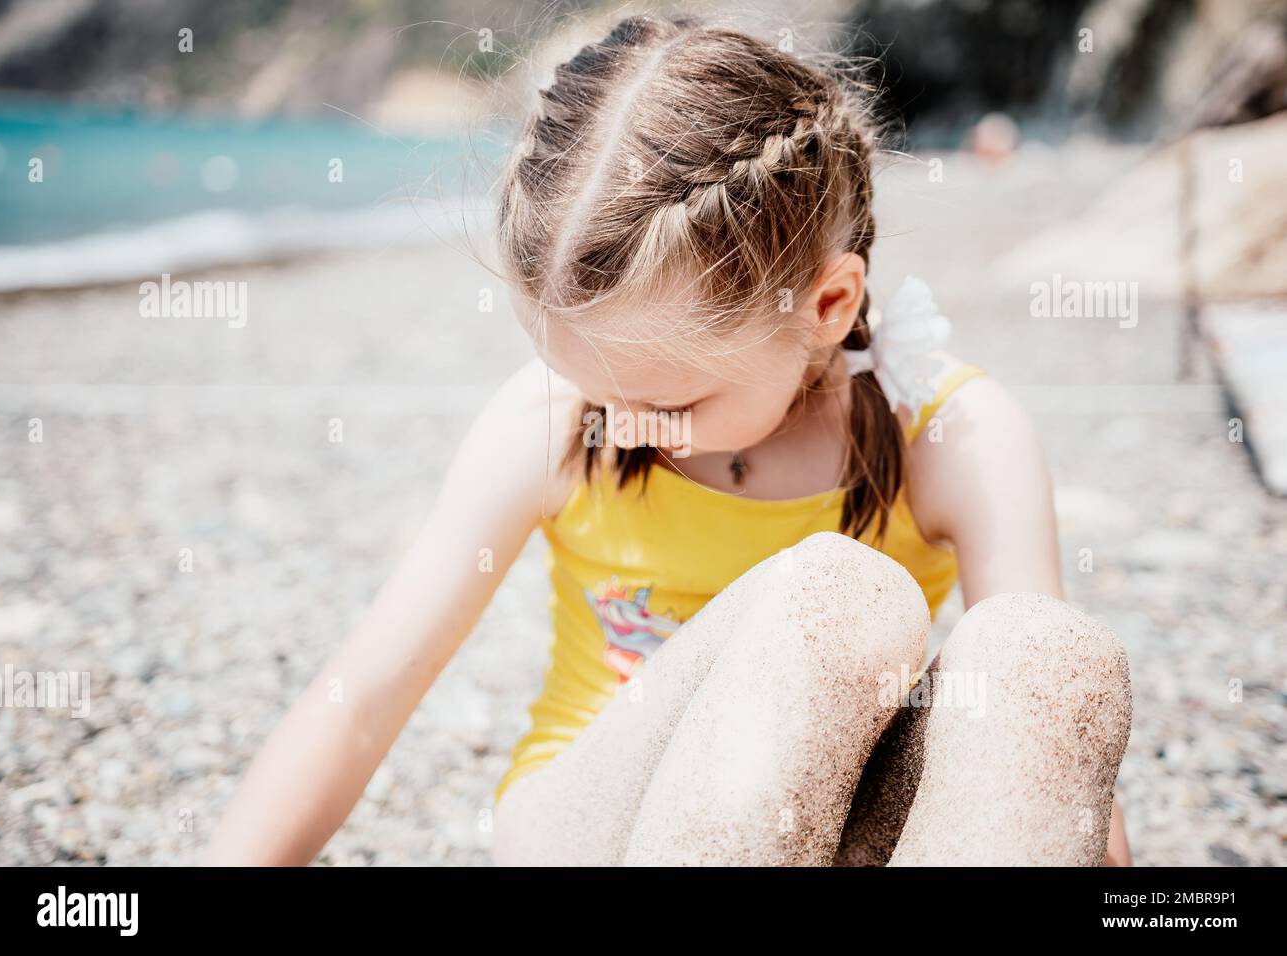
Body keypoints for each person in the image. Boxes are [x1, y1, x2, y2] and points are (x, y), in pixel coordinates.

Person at [206, 13, 1132, 867]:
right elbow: (361, 700)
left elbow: (1037, 745)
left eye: (673, 399)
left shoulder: (953, 435)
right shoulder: (554, 427)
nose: (620, 421)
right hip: (593, 827)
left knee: (1046, 655)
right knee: (839, 601)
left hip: (824, 830)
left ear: (828, 305)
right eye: (585, 381)